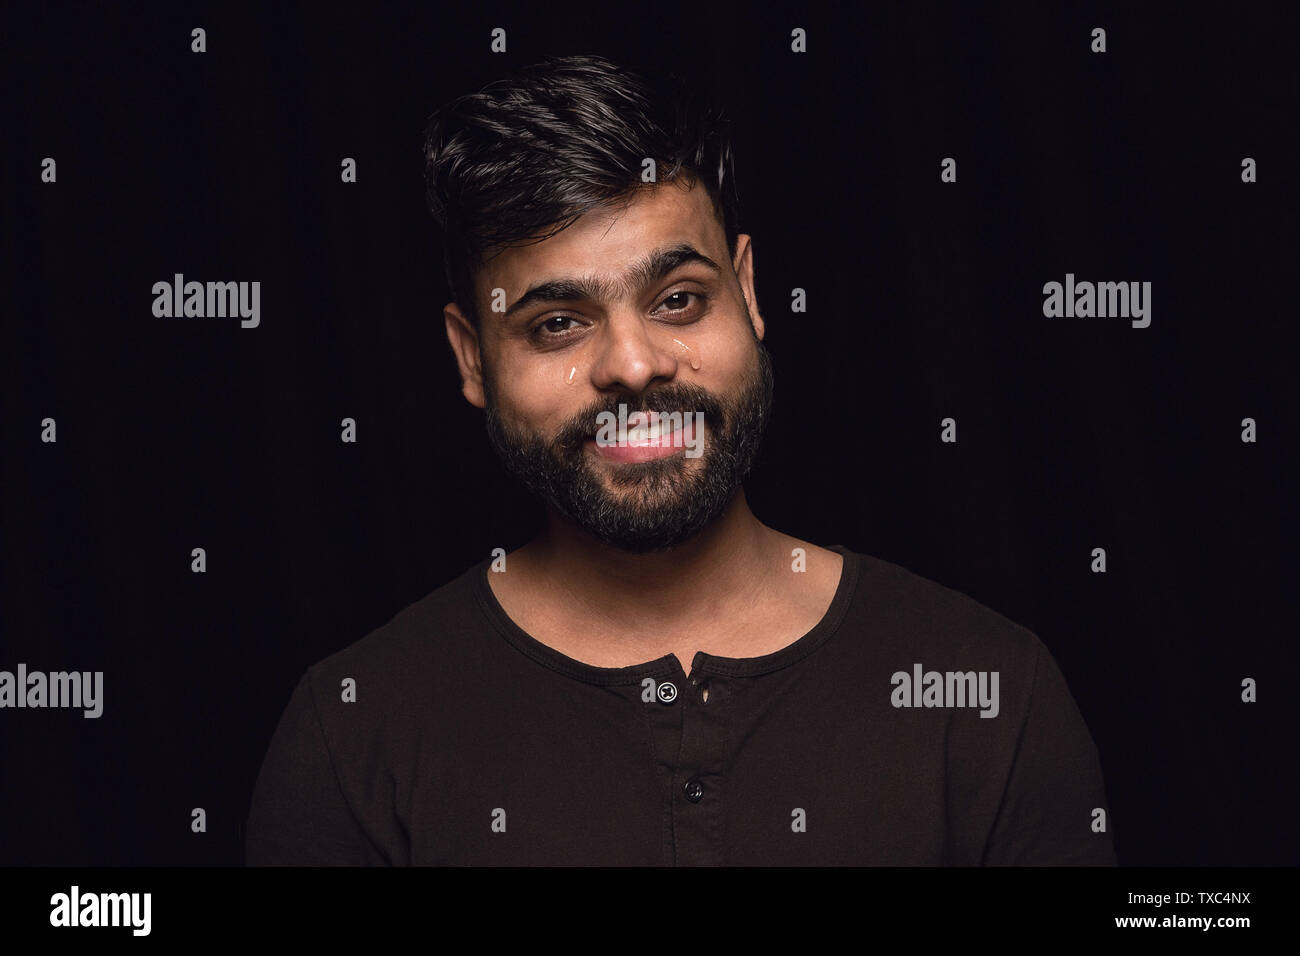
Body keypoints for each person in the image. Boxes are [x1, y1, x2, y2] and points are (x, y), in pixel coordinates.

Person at [245, 54, 1116, 866]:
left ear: (748, 292)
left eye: (679, 299)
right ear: (473, 358)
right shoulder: (353, 733)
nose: (634, 363)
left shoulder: (989, 693)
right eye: (558, 322)